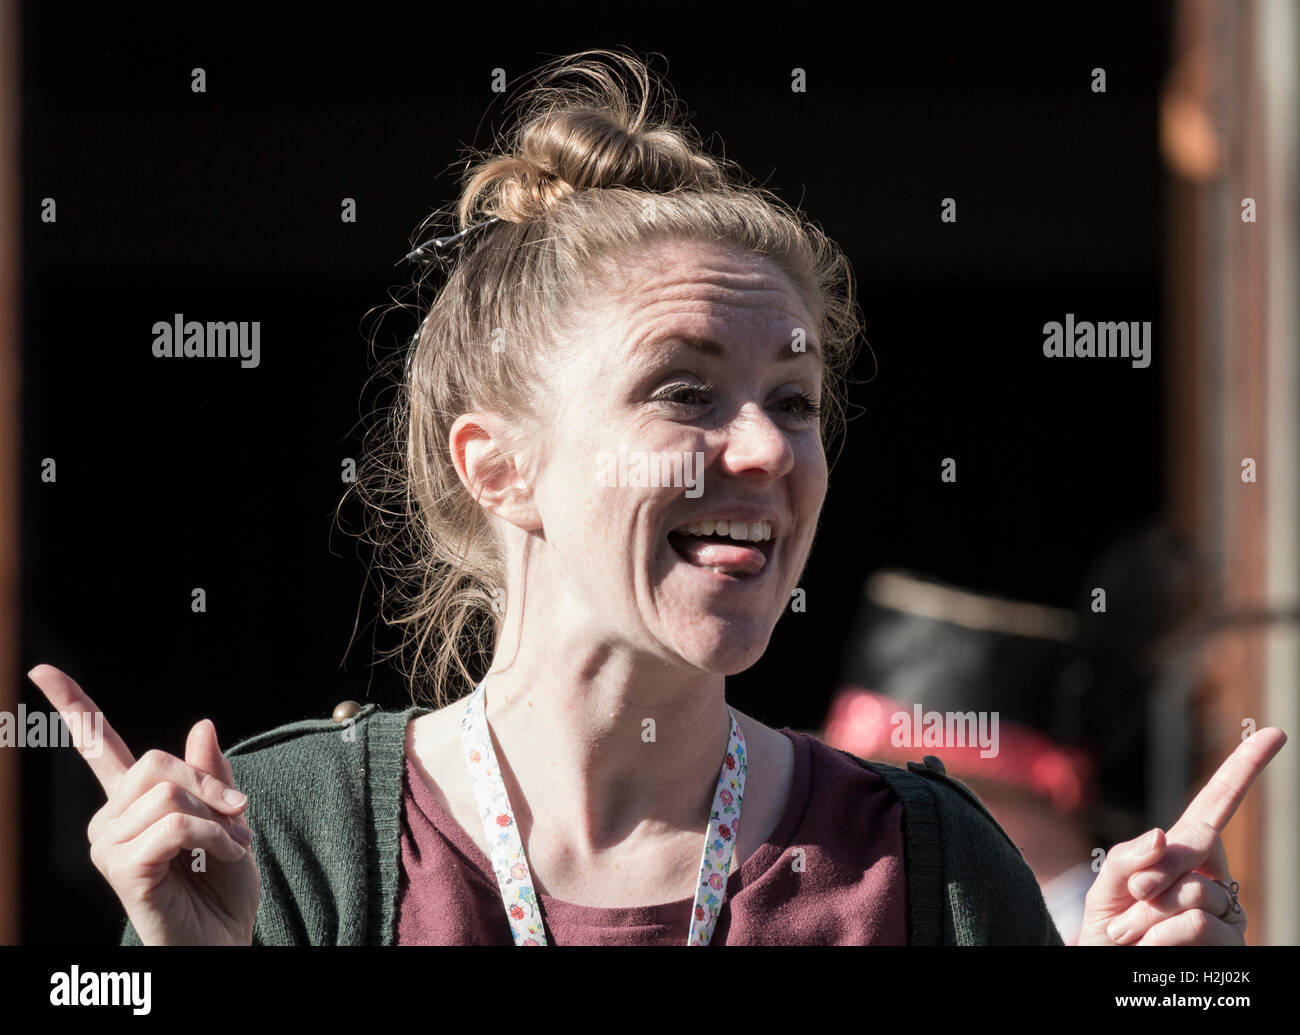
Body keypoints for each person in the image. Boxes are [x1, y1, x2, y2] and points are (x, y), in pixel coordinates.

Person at [28, 48, 1285, 946]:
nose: (767, 451)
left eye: (794, 401)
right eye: (684, 392)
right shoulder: (294, 834)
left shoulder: (927, 862)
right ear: (499, 466)